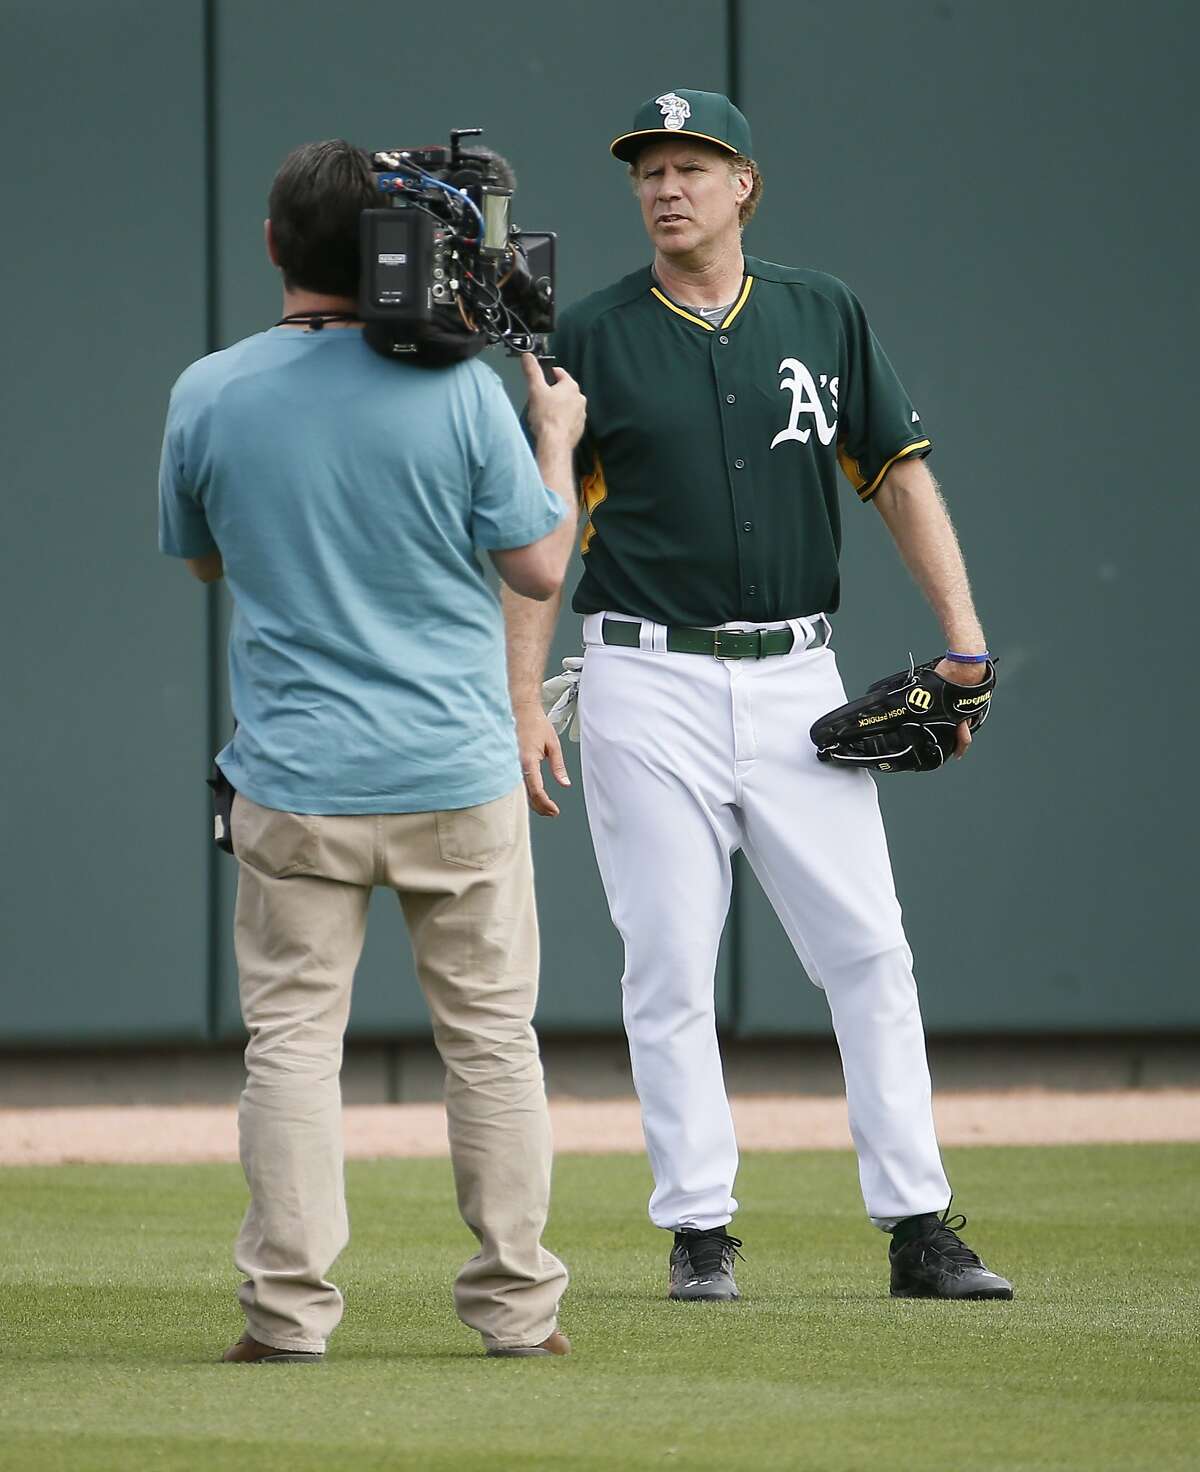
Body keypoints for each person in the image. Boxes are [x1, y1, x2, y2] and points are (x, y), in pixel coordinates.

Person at [504, 90, 1013, 1303]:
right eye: (649, 169)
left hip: (799, 677)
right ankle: (699, 1228)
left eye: (693, 164)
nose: (666, 186)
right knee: (668, 962)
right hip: (644, 674)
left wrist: (966, 641)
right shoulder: (591, 336)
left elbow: (897, 475)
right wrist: (522, 697)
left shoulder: (819, 312)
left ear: (746, 185)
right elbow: (543, 535)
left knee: (870, 949)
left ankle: (919, 1225)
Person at [158, 139, 587, 1359]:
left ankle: (287, 1317)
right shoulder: (459, 390)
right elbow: (540, 562)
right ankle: (518, 1311)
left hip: (295, 779)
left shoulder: (208, 390)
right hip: (455, 769)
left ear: (275, 246)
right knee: (494, 1044)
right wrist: (550, 430)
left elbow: (204, 559)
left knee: (292, 1046)